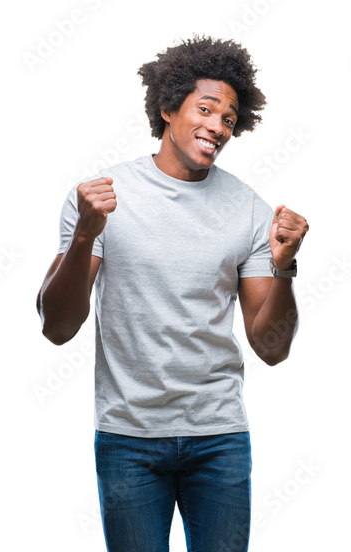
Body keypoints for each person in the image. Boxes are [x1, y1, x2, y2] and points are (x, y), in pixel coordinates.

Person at [36, 36, 308, 551]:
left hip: (219, 437)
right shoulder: (102, 198)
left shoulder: (249, 210)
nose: (217, 127)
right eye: (205, 109)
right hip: (128, 438)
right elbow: (57, 326)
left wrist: (285, 267)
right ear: (167, 109)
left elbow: (270, 347)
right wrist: (84, 235)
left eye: (228, 118)